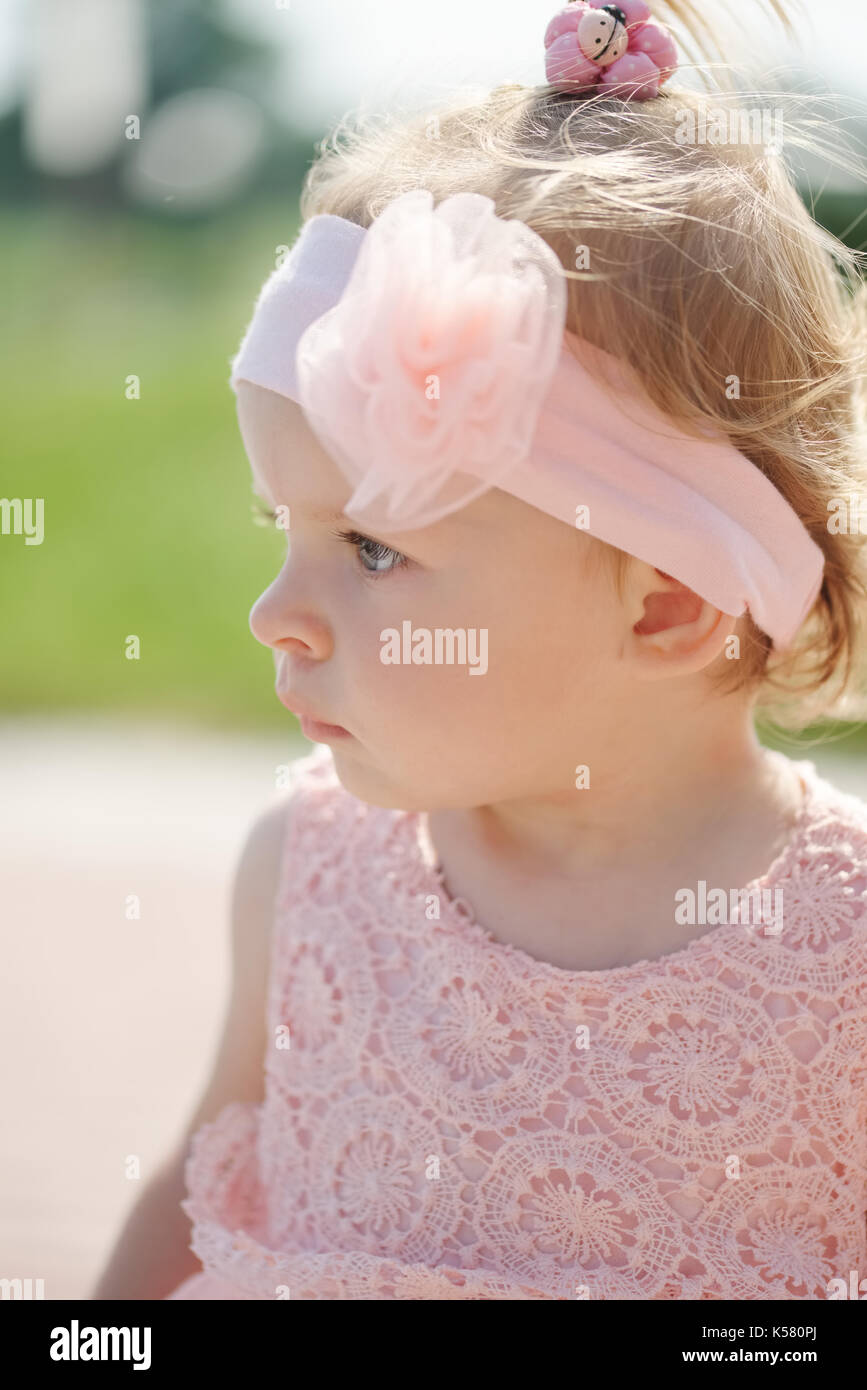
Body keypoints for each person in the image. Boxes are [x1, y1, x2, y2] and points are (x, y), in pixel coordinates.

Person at [92, 0, 867, 1300]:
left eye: (375, 549)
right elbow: (204, 1177)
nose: (274, 613)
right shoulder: (307, 871)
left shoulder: (840, 947)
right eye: (286, 529)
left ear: (668, 601)